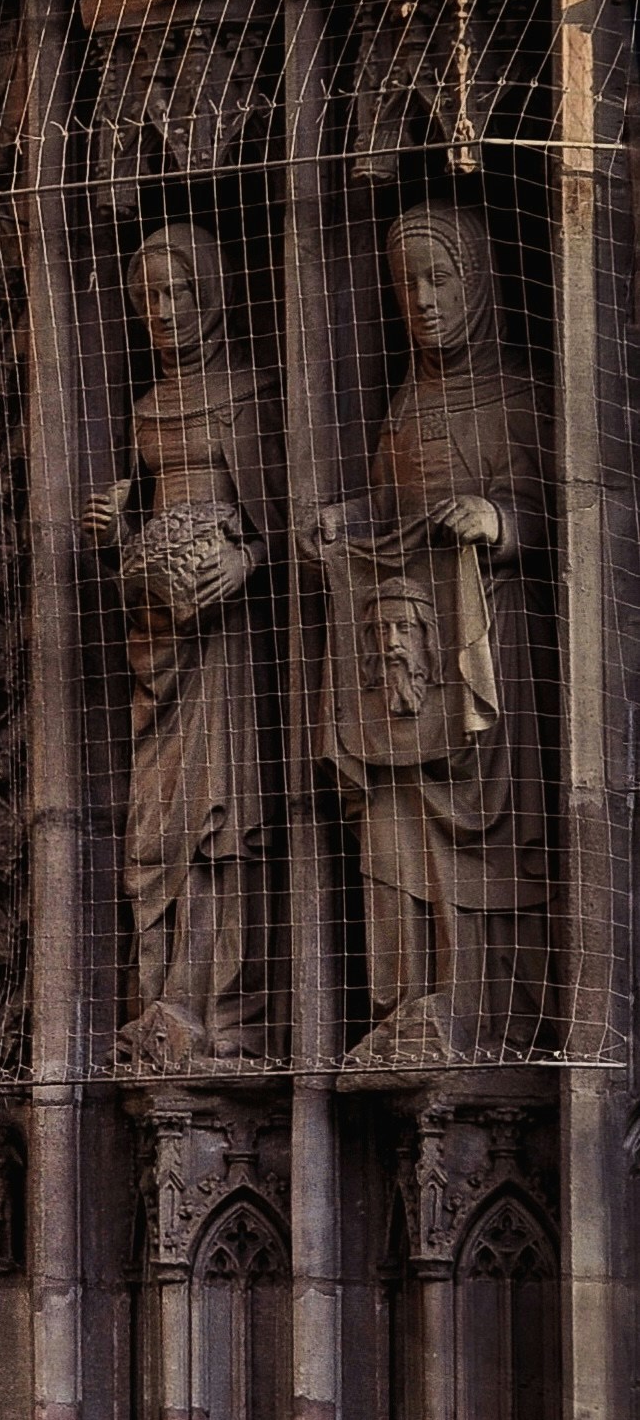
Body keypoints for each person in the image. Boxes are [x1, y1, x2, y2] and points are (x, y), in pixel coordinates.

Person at [311, 204, 547, 1064]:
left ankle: (493, 1013)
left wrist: (499, 518)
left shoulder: (522, 396)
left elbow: (575, 513)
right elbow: (391, 510)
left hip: (490, 657)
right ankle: (414, 1000)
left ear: (476, 283)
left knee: (499, 838)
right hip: (406, 670)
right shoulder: (406, 406)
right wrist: (346, 521)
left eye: (439, 278)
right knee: (395, 826)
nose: (422, 300)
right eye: (406, 284)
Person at [85, 227, 279, 1066]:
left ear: (215, 294)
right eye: (149, 300)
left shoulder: (251, 393)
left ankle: (224, 1009)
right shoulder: (145, 411)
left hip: (227, 645)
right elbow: (146, 526)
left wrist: (246, 560)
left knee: (219, 821)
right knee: (156, 822)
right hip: (158, 637)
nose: (164, 312)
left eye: (179, 293)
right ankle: (164, 996)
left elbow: (285, 521)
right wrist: (115, 535)